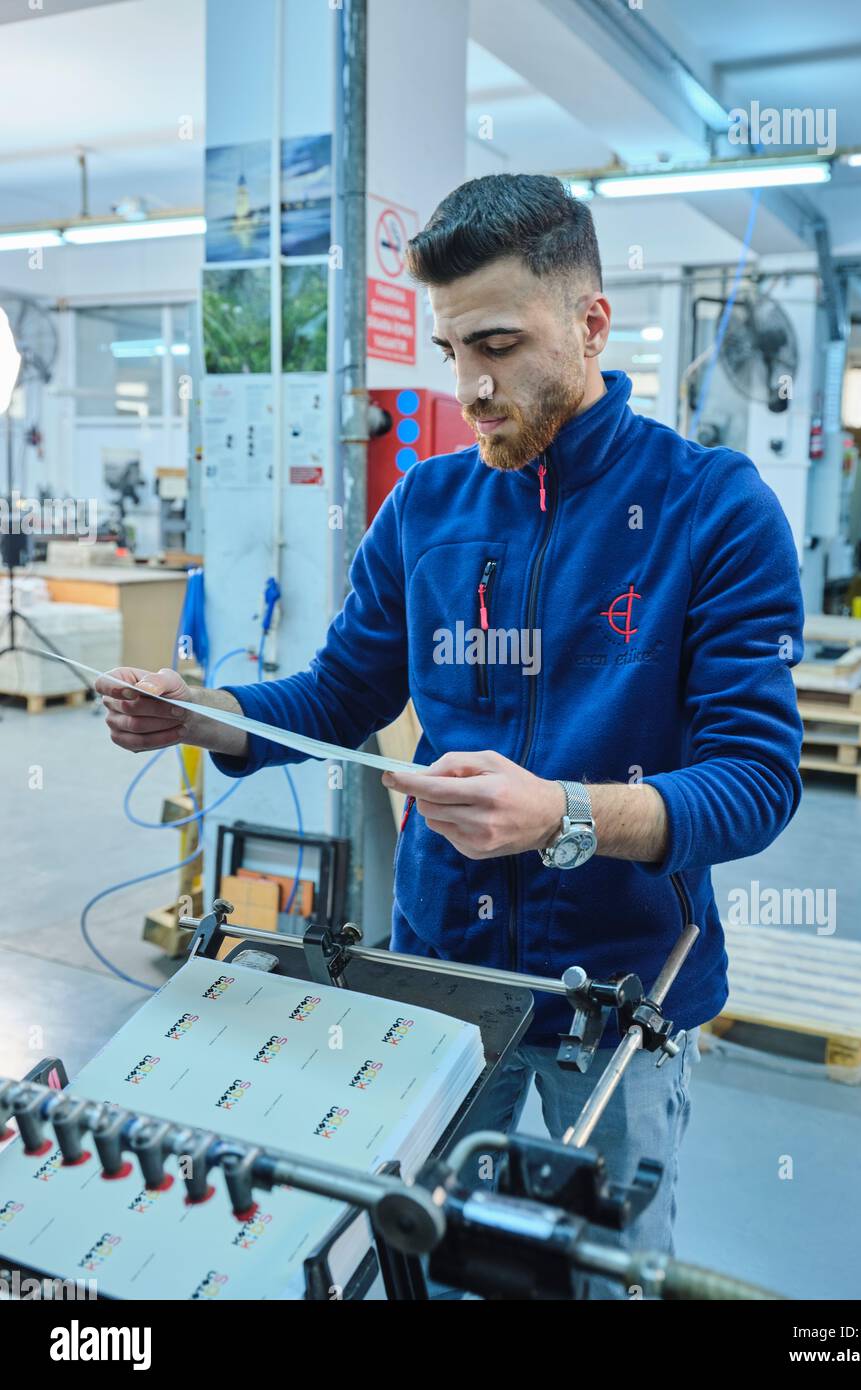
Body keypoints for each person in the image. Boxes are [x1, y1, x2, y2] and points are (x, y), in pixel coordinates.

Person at [97, 173, 804, 1297]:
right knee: (420, 1255)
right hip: (437, 979)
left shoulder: (710, 509)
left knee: (597, 1274)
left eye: (498, 344)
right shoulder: (425, 510)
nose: (470, 387)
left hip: (615, 1005)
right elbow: (335, 700)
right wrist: (206, 716)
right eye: (449, 350)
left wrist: (561, 815)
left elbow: (755, 782)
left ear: (589, 322)